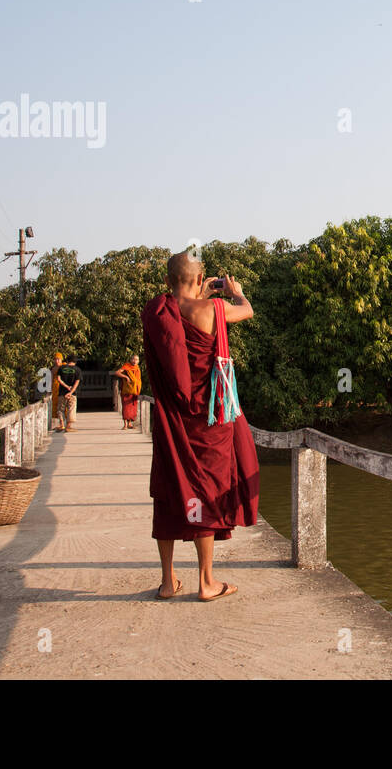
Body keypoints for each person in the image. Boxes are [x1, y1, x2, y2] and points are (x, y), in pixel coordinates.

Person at [140, 252, 259, 601]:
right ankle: (206, 582)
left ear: (166, 281)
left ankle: (167, 581)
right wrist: (235, 291)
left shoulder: (156, 312)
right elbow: (247, 309)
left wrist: (197, 293)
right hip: (207, 423)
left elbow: (176, 332)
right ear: (201, 277)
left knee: (168, 489)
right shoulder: (214, 310)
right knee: (204, 491)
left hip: (170, 419)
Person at [115, 355, 142, 429]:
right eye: (133, 359)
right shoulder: (126, 366)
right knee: (126, 407)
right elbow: (117, 373)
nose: (135, 361)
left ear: (138, 361)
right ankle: (125, 424)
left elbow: (138, 379)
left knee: (133, 407)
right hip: (126, 390)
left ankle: (130, 424)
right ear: (130, 360)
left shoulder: (137, 368)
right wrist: (125, 377)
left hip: (135, 391)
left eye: (136, 360)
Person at [57, 356, 81, 432]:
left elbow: (58, 379)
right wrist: (70, 392)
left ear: (67, 361)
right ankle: (68, 426)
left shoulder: (61, 368)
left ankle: (61, 425)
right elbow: (77, 382)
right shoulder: (77, 370)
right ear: (75, 362)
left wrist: (66, 386)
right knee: (71, 409)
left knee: (61, 409)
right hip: (72, 393)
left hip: (62, 392)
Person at [50, 352, 64, 431]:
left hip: (63, 389)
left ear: (61, 360)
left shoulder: (64, 366)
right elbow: (51, 379)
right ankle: (60, 424)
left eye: (58, 359)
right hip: (55, 389)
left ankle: (64, 424)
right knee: (56, 406)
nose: (57, 361)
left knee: (63, 407)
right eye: (55, 359)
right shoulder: (53, 369)